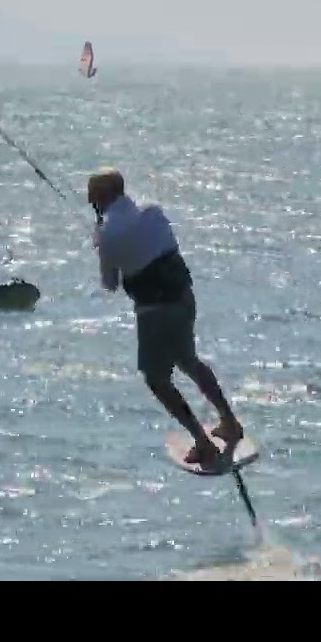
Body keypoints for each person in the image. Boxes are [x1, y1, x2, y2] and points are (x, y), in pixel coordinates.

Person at [88, 167, 245, 470]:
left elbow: (109, 284)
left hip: (155, 311)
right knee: (188, 360)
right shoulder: (153, 211)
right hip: (184, 298)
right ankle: (229, 421)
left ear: (101, 197)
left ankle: (202, 441)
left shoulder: (109, 234)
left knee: (156, 378)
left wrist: (100, 244)